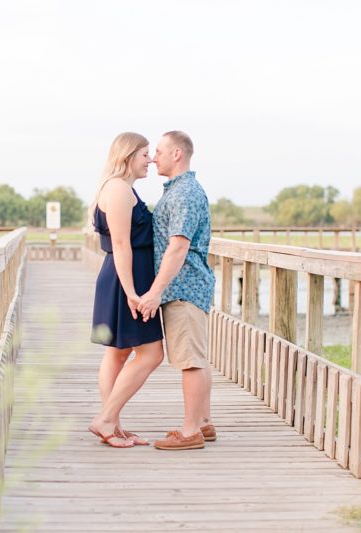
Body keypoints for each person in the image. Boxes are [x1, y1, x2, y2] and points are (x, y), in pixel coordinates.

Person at [138, 130, 216, 451]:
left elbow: (178, 246)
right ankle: (202, 423)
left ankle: (189, 432)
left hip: (184, 285)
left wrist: (155, 291)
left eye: (158, 151)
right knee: (195, 356)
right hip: (188, 285)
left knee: (190, 361)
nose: (154, 157)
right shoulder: (180, 190)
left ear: (177, 154)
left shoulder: (184, 193)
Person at [88, 132, 165, 448]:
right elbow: (121, 244)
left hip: (123, 278)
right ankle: (106, 419)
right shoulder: (118, 189)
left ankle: (112, 425)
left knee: (118, 353)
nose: (150, 160)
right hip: (126, 280)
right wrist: (133, 291)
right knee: (151, 354)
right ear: (128, 155)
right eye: (145, 154)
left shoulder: (120, 188)